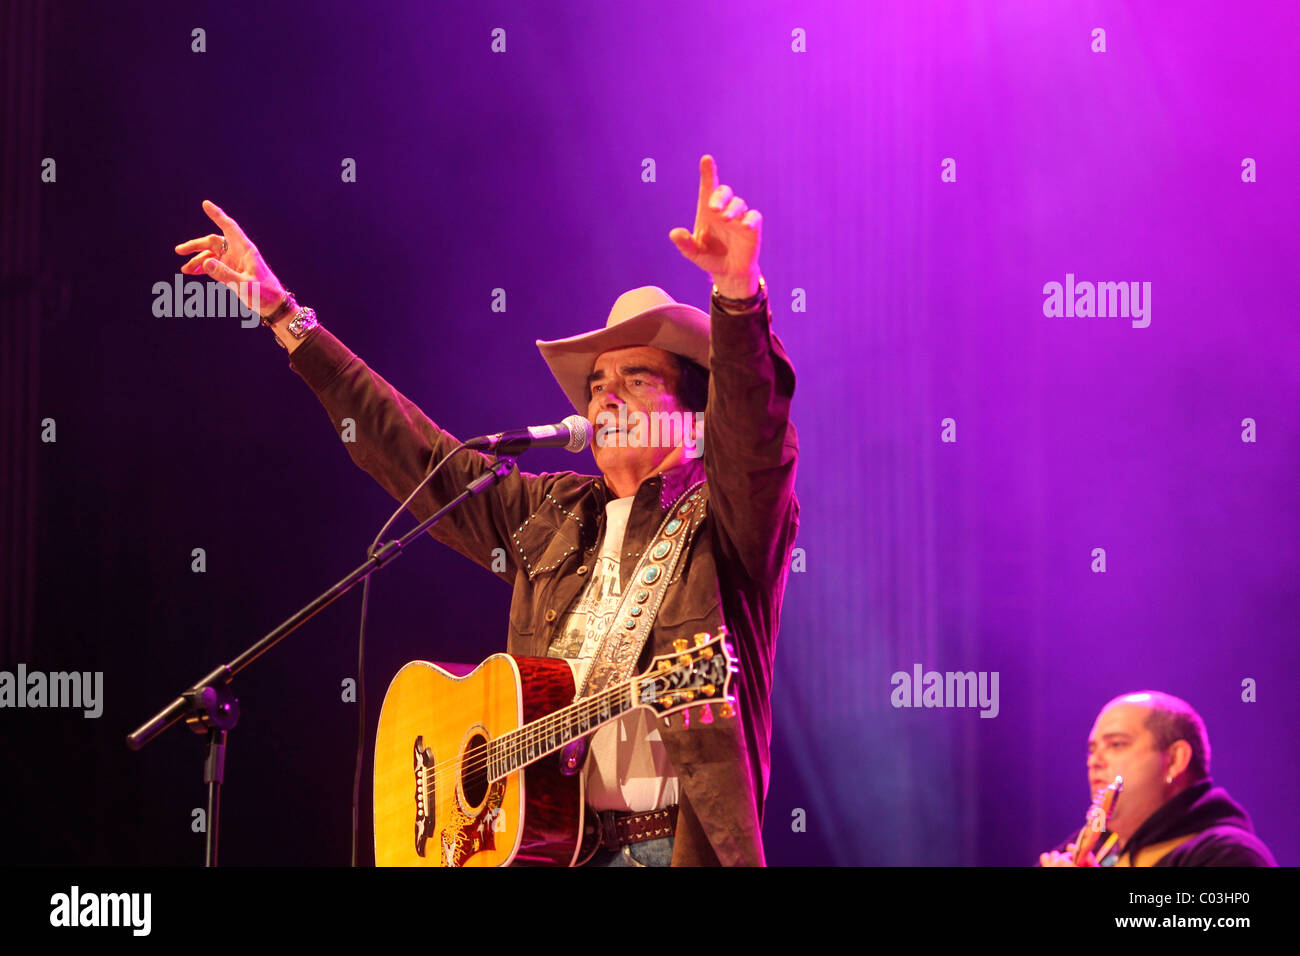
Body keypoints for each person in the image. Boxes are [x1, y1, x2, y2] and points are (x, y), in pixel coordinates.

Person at [174, 155, 799, 866]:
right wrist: (286, 316)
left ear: (692, 413)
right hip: (548, 848)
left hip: (670, 847)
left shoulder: (729, 516)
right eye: (597, 383)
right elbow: (414, 454)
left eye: (636, 377)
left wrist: (737, 293)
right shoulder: (555, 512)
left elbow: (756, 440)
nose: (605, 398)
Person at [1039, 691, 1276, 867]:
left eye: (1117, 744)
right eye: (1092, 750)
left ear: (1174, 760)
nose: (1094, 761)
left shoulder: (1228, 855)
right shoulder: (1094, 845)